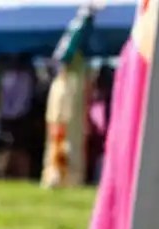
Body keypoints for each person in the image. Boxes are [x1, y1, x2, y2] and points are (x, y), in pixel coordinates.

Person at [42, 8, 93, 189]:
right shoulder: (70, 65)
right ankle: (60, 175)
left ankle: (61, 175)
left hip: (67, 94)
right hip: (66, 95)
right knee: (63, 135)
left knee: (64, 135)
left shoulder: (72, 64)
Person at [0, 53, 35, 179]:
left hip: (20, 117)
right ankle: (5, 172)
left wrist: (13, 113)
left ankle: (22, 174)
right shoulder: (8, 76)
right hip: (8, 117)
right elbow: (4, 97)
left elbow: (23, 99)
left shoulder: (25, 78)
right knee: (6, 147)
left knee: (20, 148)